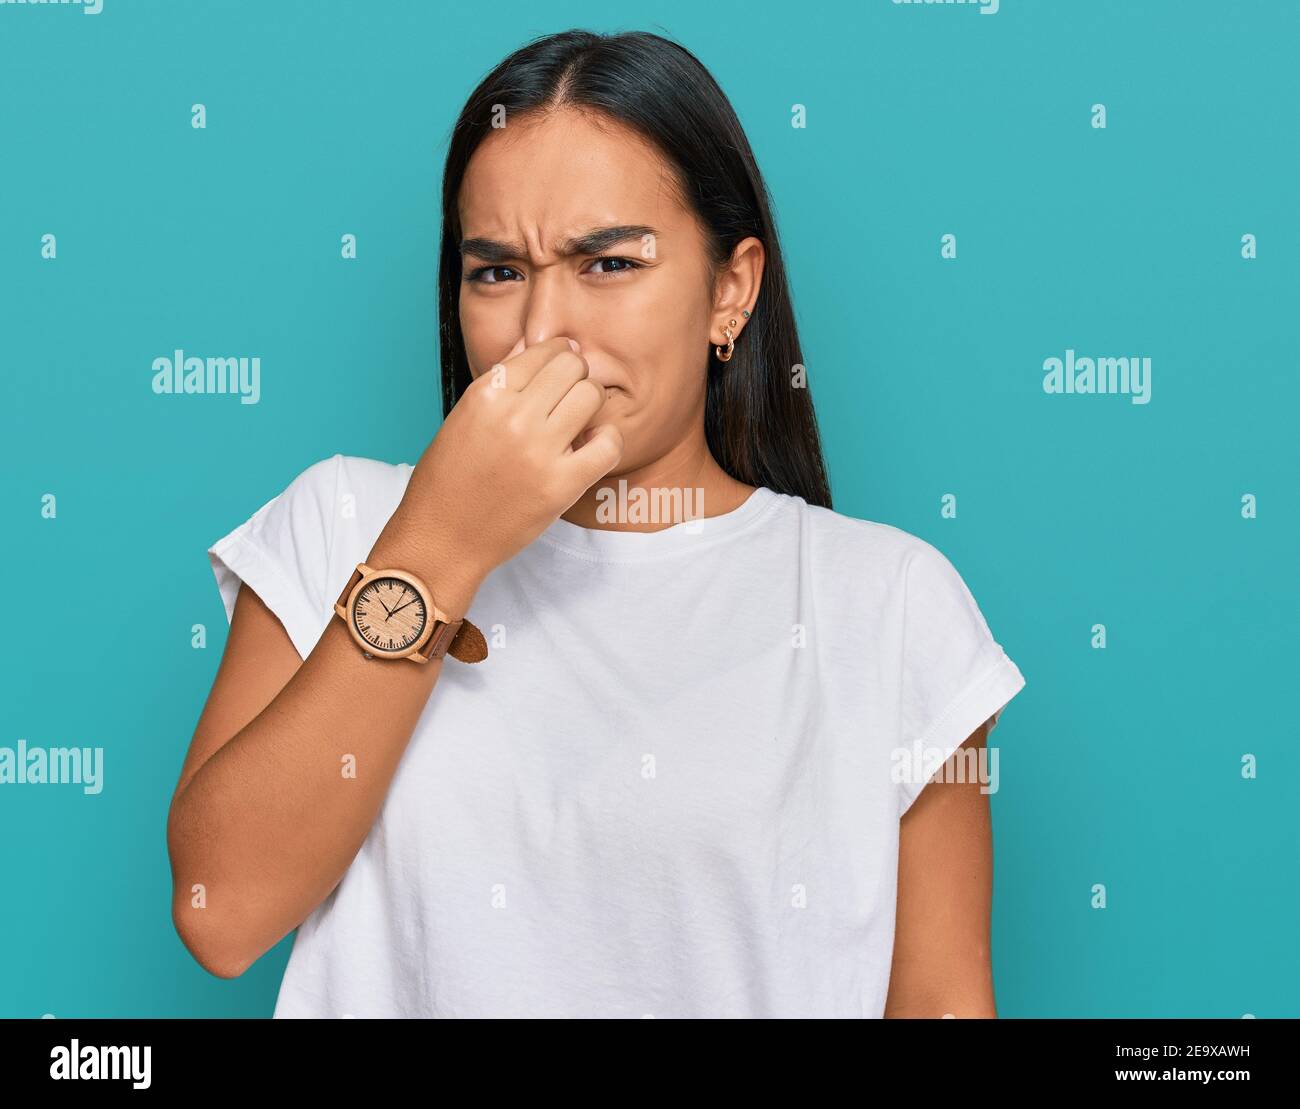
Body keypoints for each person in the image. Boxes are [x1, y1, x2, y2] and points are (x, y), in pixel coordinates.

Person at [167, 28, 1025, 1018]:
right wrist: (441, 540)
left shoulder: (890, 603)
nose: (539, 333)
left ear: (730, 290)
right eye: (495, 271)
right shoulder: (343, 521)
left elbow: (941, 1001)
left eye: (608, 263)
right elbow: (219, 912)